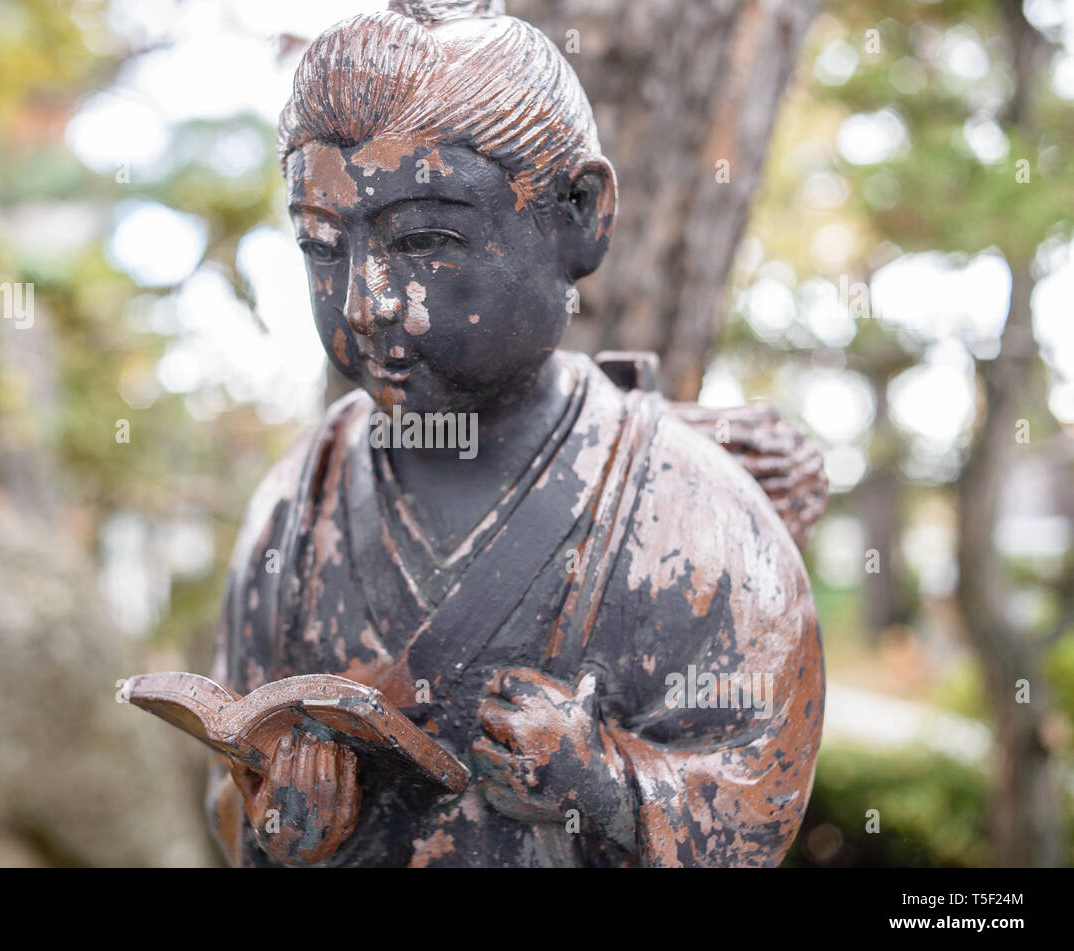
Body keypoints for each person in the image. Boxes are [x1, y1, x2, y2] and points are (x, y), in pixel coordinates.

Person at [207, 0, 824, 867]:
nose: (364, 301)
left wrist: (605, 786)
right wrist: (281, 818)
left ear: (580, 213)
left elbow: (758, 793)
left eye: (423, 239)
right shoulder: (293, 508)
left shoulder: (699, 519)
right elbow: (228, 793)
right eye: (321, 246)